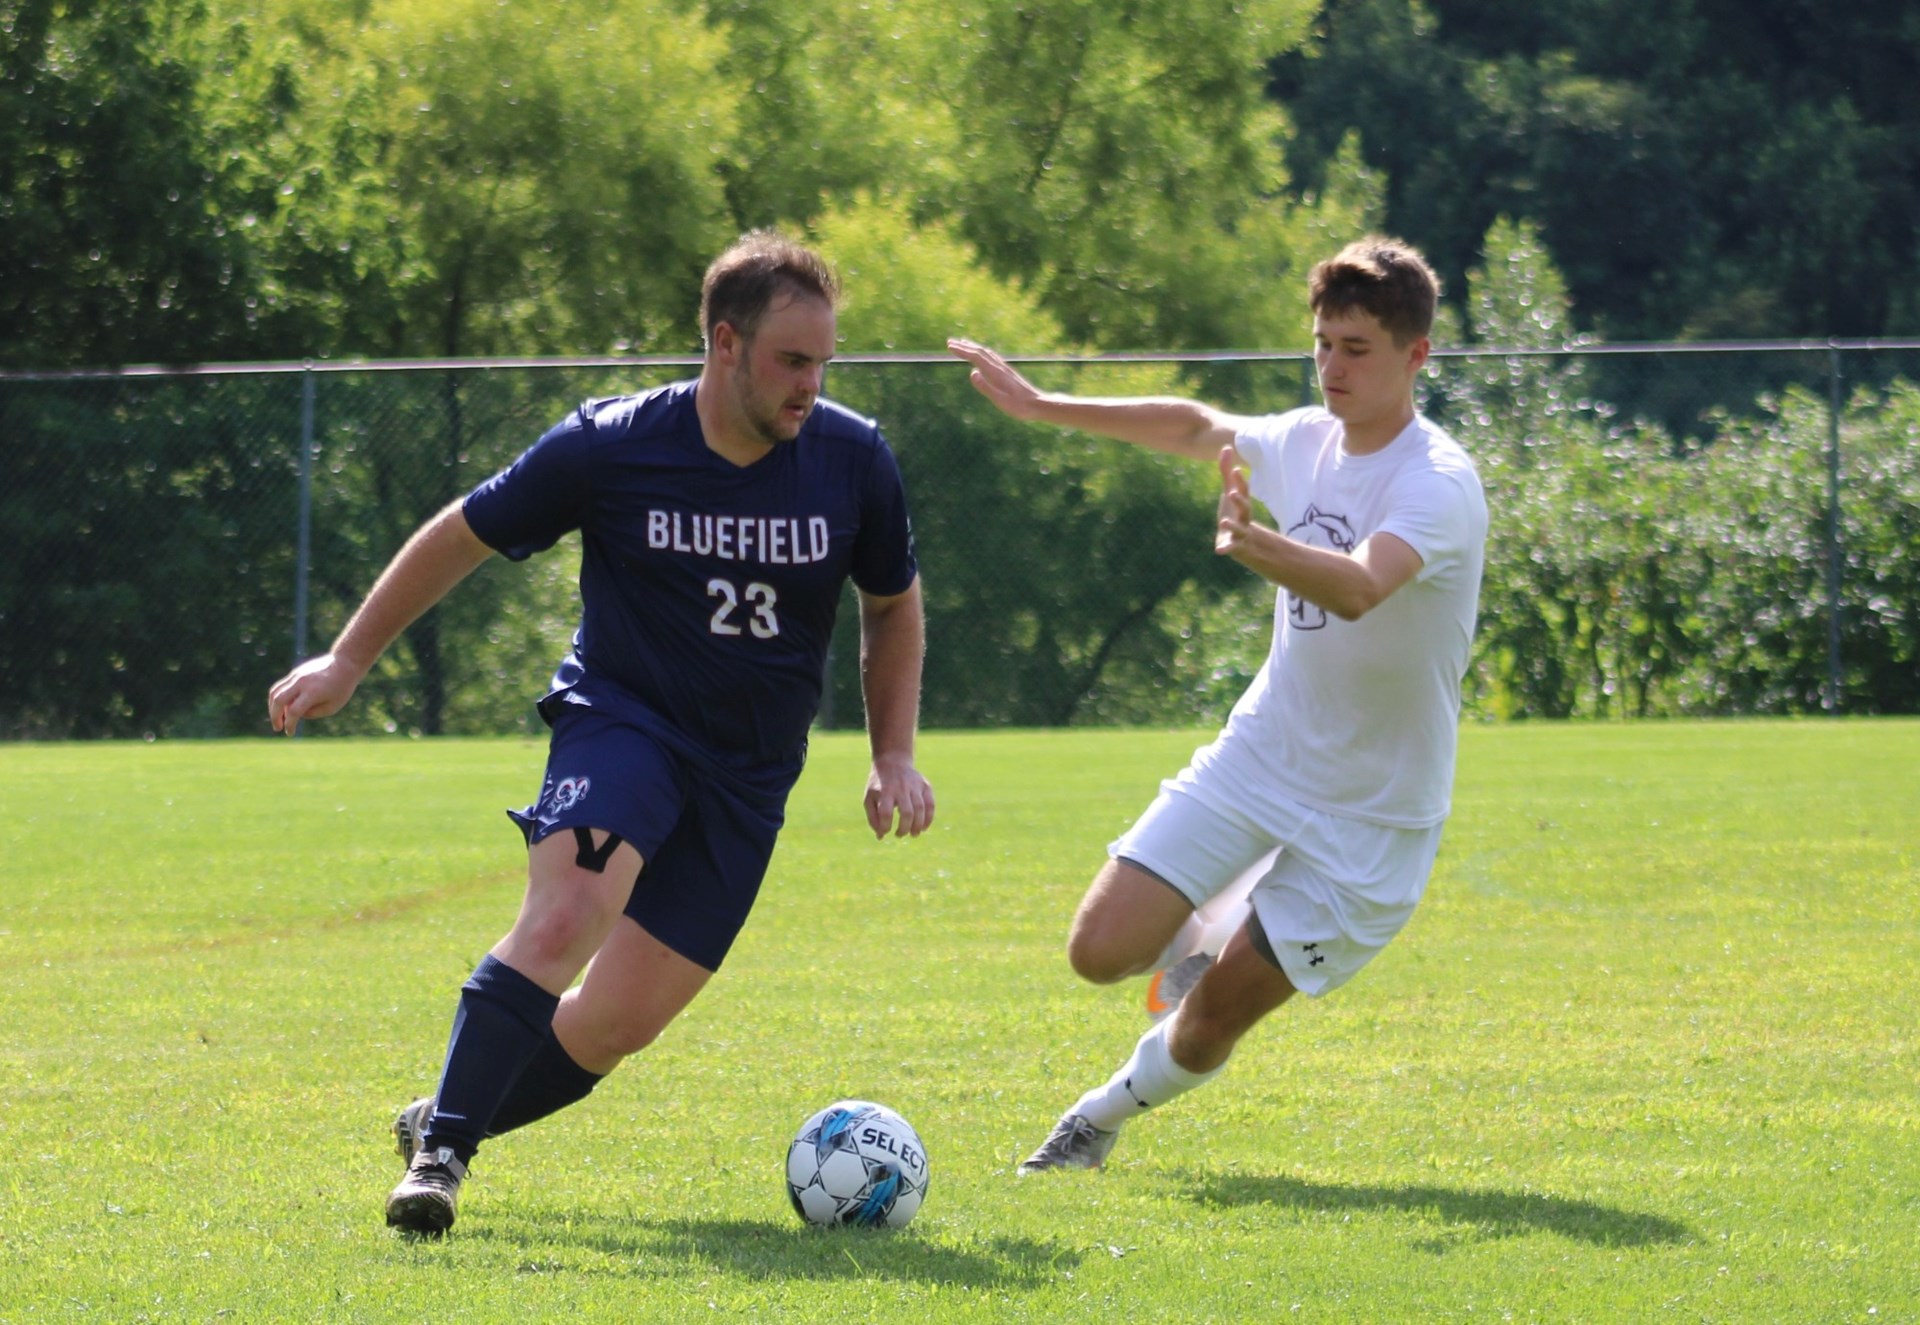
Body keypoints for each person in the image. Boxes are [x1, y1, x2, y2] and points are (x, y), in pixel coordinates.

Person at [268, 231, 935, 1234]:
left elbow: (893, 602)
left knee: (616, 1021)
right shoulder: (613, 441)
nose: (812, 384)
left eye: (823, 363)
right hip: (623, 719)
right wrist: (350, 658)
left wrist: (894, 752)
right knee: (566, 911)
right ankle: (441, 1161)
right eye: (793, 360)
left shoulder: (852, 458)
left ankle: (438, 1115)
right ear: (724, 343)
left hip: (749, 772)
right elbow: (463, 532)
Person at [946, 235, 1486, 1174]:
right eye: (1322, 343)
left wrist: (1252, 541)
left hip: (1373, 817)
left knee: (1202, 1031)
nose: (1331, 367)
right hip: (1262, 759)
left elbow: (1361, 585)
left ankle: (1094, 1120)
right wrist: (1041, 405)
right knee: (1098, 951)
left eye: (1356, 348)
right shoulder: (1304, 440)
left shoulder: (1437, 483)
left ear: (1416, 356)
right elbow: (1196, 426)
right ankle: (1225, 910)